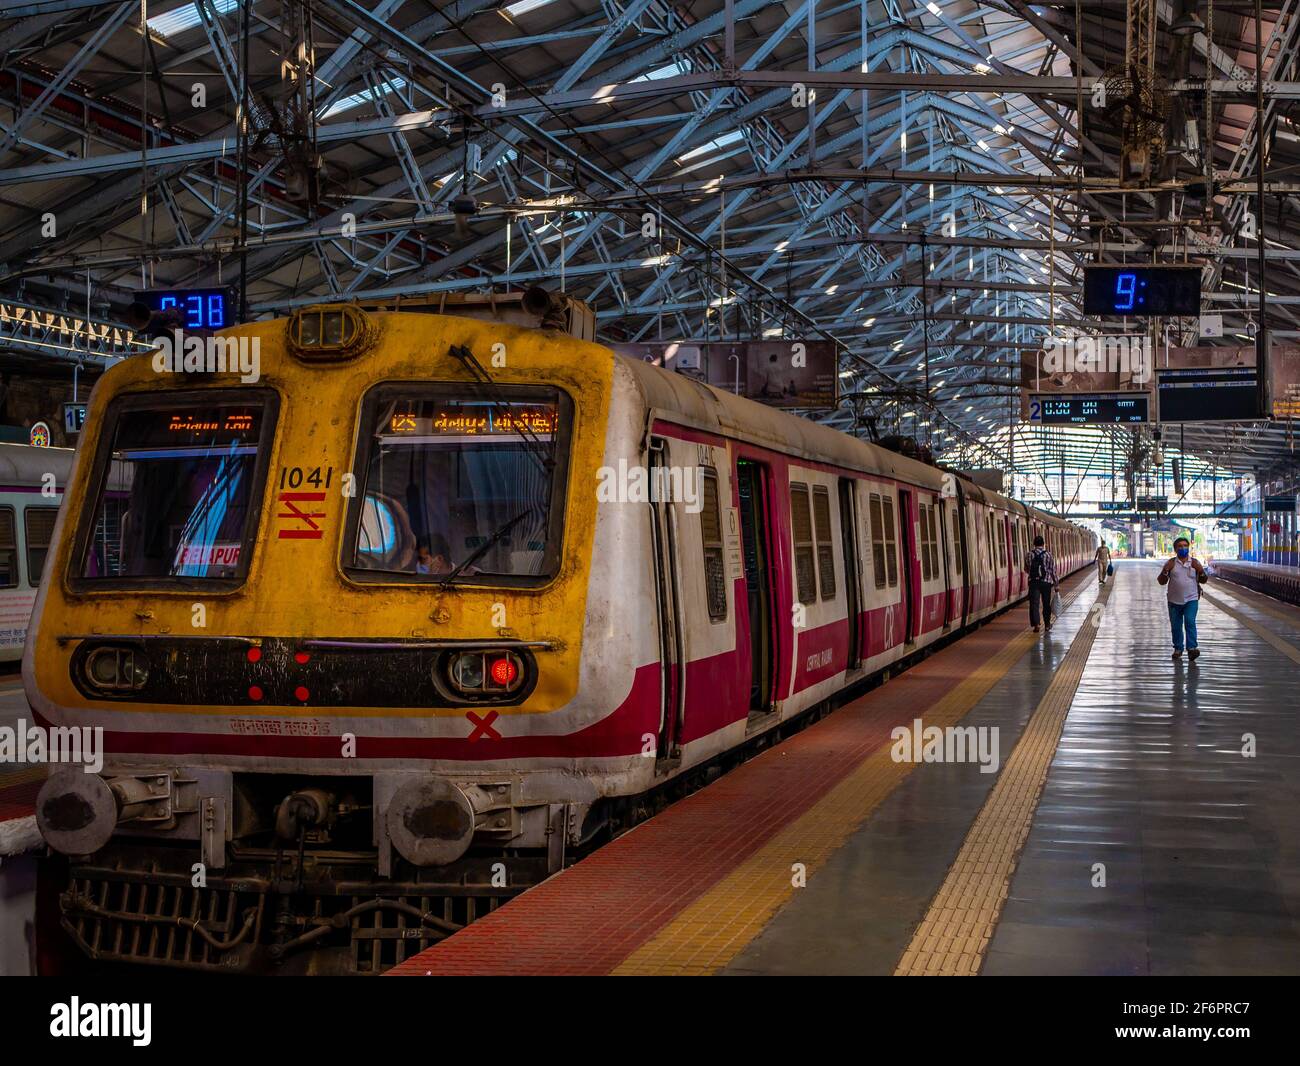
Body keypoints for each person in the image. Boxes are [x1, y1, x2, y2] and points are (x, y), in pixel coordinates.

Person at [1157, 536, 1207, 661]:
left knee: (1190, 621)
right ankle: (1178, 648)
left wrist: (1200, 571)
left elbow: (1204, 580)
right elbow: (1161, 581)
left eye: (1185, 546)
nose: (1183, 548)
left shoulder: (1195, 563)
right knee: (1176, 626)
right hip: (1174, 600)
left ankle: (1192, 649)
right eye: (1180, 546)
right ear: (1175, 549)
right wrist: (1165, 571)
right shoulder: (1171, 563)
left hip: (1191, 598)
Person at [1024, 534, 1058, 633]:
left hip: (1033, 582)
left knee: (1034, 604)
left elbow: (1026, 569)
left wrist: (1033, 574)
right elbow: (1052, 571)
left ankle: (1036, 625)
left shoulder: (1029, 554)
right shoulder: (1048, 555)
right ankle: (1047, 625)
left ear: (1034, 544)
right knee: (1046, 603)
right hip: (1046, 583)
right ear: (1043, 544)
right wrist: (1056, 584)